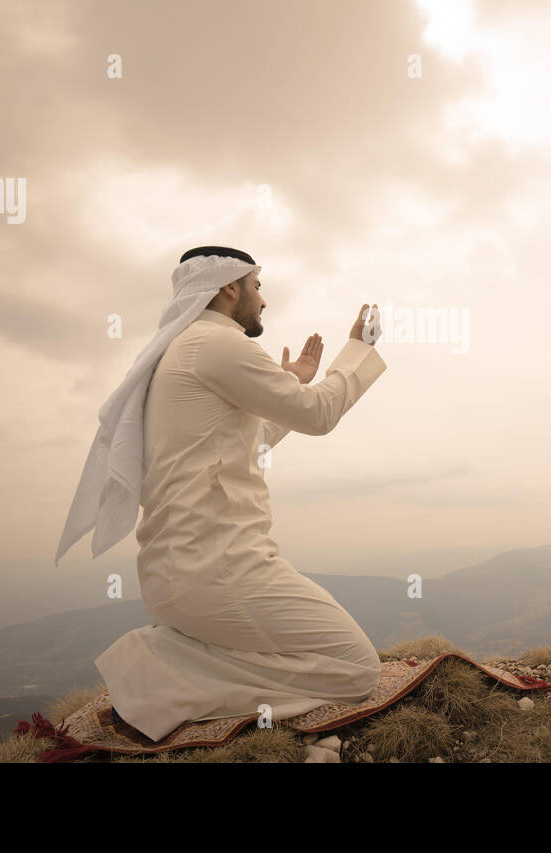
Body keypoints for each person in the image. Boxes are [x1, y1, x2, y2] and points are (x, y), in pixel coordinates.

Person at [82, 245, 388, 741]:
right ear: (230, 287)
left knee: (321, 654)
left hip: (176, 578)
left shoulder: (180, 352)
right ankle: (155, 677)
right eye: (257, 286)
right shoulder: (217, 345)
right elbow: (318, 414)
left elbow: (251, 441)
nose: (262, 300)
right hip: (221, 571)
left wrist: (289, 385)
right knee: (356, 669)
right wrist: (358, 349)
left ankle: (168, 658)